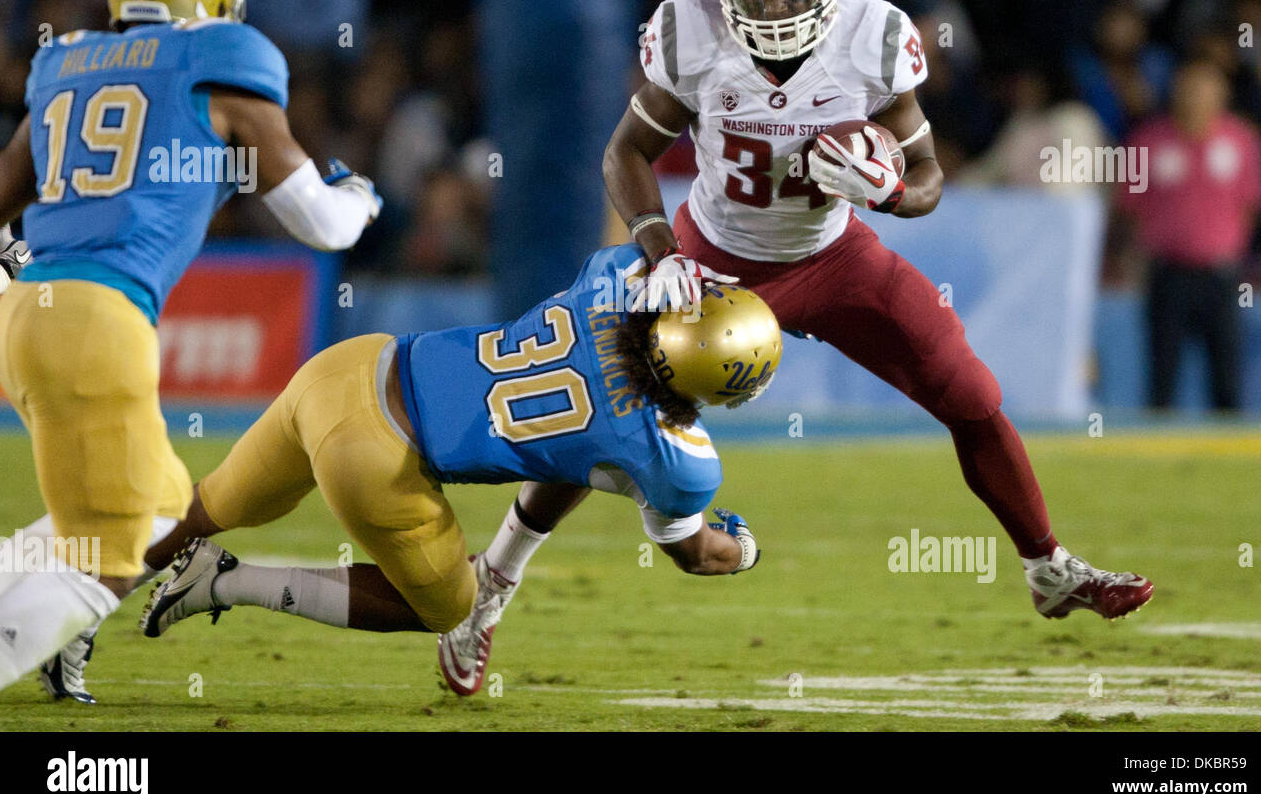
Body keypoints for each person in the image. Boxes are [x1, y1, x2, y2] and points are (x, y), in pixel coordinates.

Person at [437, 0, 1155, 693]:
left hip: (838, 256)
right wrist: (660, 250)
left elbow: (929, 182)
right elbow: (625, 153)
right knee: (605, 422)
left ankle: (1045, 565)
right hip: (715, 264)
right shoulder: (695, 32)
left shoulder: (873, 38)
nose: (774, 13)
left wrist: (886, 191)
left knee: (972, 394)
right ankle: (489, 589)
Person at [0, 0, 382, 701]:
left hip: (26, 310)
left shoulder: (69, 62)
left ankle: (42, 607)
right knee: (122, 540)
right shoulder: (220, 56)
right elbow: (322, 222)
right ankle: (37, 632)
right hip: (98, 319)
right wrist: (361, 195)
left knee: (154, 505)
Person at [138, 246, 780, 693]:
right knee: (446, 610)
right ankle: (223, 582)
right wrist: (745, 549)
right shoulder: (669, 456)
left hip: (351, 366)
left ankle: (77, 605)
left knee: (207, 504)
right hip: (376, 458)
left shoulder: (613, 276)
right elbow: (697, 554)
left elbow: (579, 443)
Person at [1117, 59, 1261, 410]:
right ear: (1174, 91)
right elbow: (1129, 207)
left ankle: (1233, 458)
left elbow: (1253, 203)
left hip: (1221, 274)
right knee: (1161, 376)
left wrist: (1225, 243)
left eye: (1206, 87)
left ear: (1222, 93)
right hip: (1167, 274)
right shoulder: (1147, 141)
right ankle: (1155, 455)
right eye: (1189, 87)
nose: (1196, 96)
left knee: (1227, 376)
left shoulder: (1242, 141)